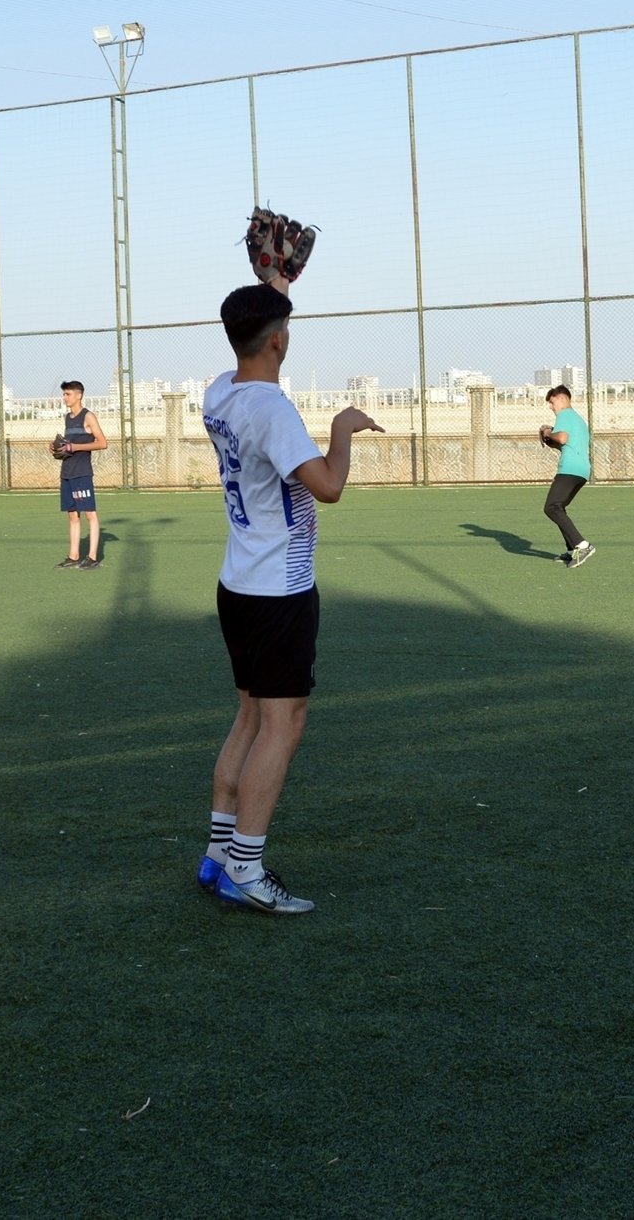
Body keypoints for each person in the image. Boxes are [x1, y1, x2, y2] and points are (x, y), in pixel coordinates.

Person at [196, 283, 381, 914]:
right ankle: (246, 867)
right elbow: (327, 485)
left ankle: (220, 853)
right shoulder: (271, 409)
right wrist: (342, 428)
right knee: (283, 723)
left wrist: (272, 282)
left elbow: (251, 332)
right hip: (279, 590)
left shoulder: (220, 389)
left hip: (238, 585)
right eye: (287, 328)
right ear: (278, 339)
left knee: (250, 717)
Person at [537, 384, 595, 567]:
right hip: (582, 471)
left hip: (569, 469)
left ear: (562, 399)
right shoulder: (577, 419)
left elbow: (561, 438)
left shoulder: (565, 415)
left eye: (552, 403)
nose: (551, 407)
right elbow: (562, 443)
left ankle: (582, 545)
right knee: (559, 507)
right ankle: (572, 550)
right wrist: (549, 438)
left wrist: (547, 432)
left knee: (551, 507)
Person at [54, 379, 108, 569]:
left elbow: (102, 442)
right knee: (72, 515)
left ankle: (92, 557)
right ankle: (73, 555)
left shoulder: (88, 416)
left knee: (89, 514)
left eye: (68, 394)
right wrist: (58, 448)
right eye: (64, 394)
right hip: (67, 472)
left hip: (82, 473)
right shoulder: (67, 418)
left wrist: (75, 447)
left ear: (79, 395)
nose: (65, 397)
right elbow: (68, 445)